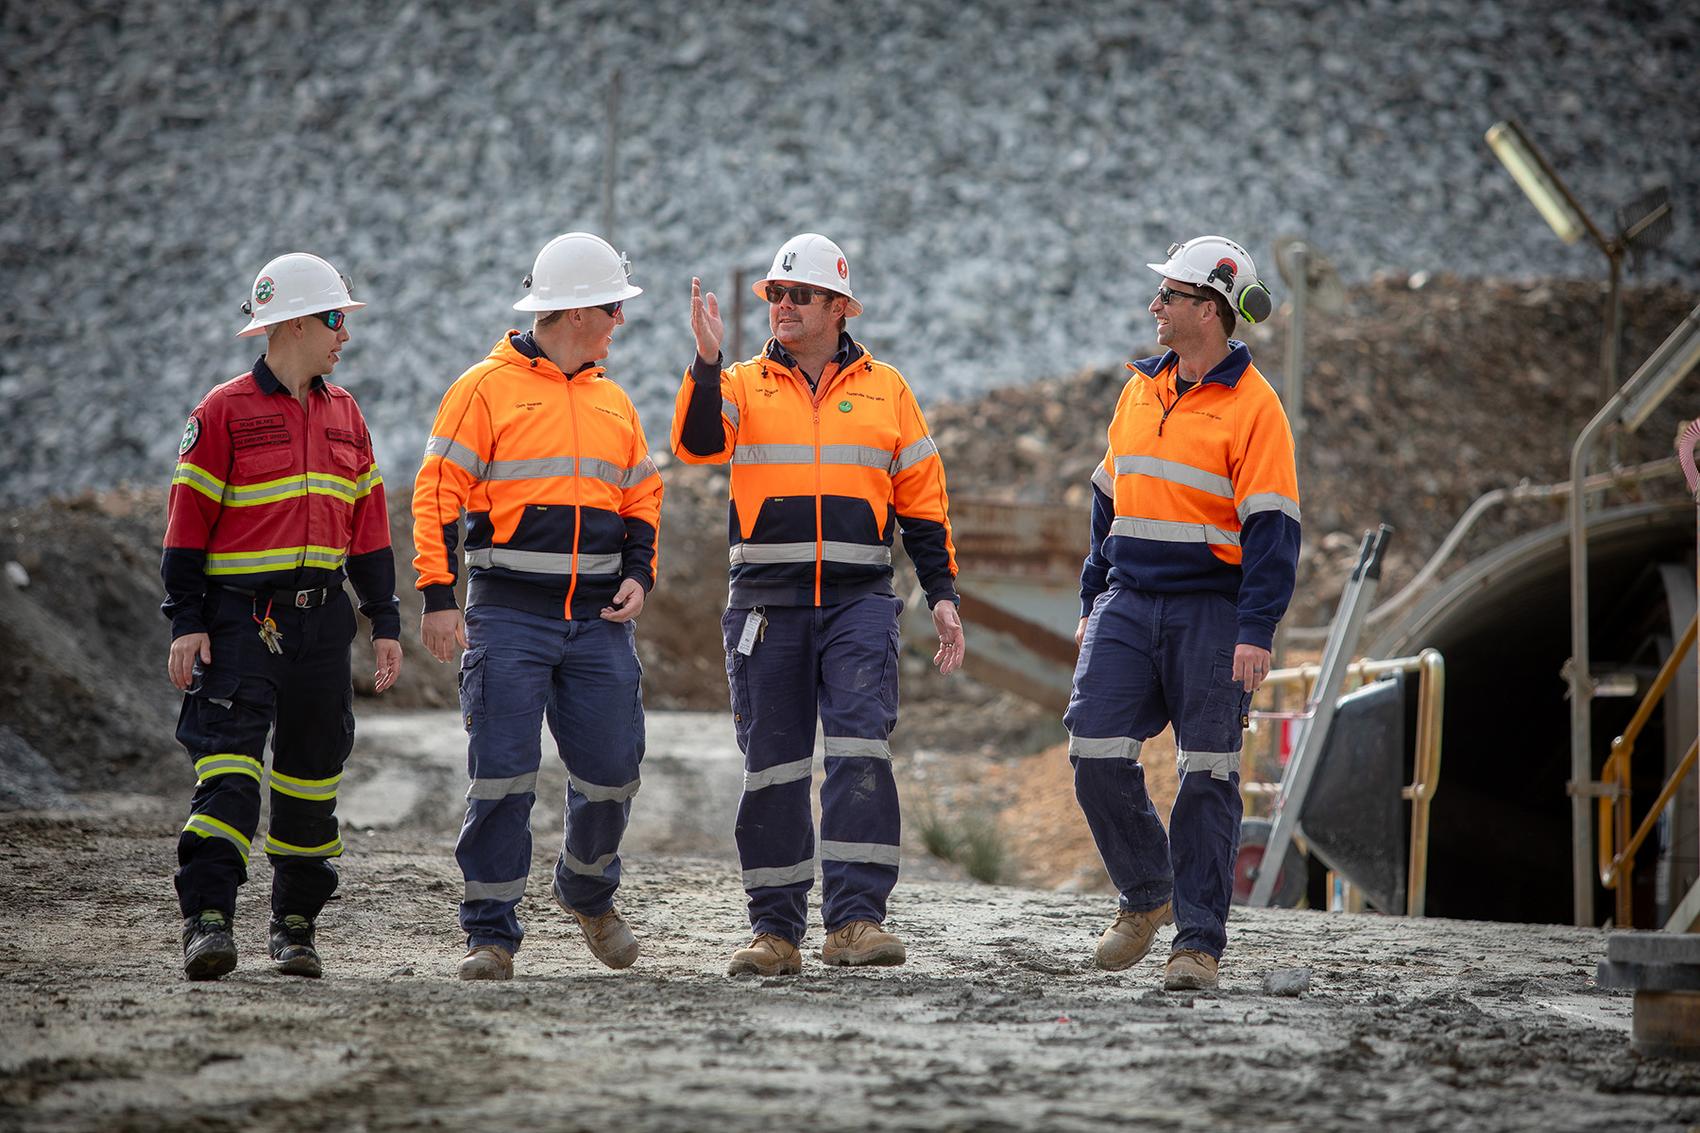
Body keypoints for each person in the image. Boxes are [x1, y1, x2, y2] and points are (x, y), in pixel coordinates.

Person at [672, 232, 965, 976]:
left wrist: (943, 596)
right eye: (775, 293)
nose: (783, 306)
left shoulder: (886, 388)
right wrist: (706, 362)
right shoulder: (737, 383)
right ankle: (775, 930)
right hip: (766, 606)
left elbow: (923, 503)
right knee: (773, 765)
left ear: (838, 307)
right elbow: (699, 444)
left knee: (861, 752)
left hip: (859, 600)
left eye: (799, 294)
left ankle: (856, 922)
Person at [413, 232, 660, 981]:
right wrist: (437, 597)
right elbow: (435, 494)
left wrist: (640, 572)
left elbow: (641, 493)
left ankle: (586, 889)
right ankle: (490, 934)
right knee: (503, 776)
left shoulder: (613, 399)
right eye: (614, 306)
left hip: (597, 621)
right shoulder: (483, 389)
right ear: (579, 309)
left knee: (615, 769)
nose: (620, 319)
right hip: (510, 616)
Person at [1066, 235, 1299, 991]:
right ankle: (1147, 890)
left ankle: (1197, 941)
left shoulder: (1256, 408)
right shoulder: (1139, 388)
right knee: (1094, 751)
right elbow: (1109, 500)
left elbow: (1273, 529)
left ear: (1210, 308)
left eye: (1168, 294)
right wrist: (1091, 597)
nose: (1154, 306)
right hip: (1128, 601)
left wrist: (1254, 631)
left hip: (1211, 609)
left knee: (1207, 776)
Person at [164, 252, 403, 981]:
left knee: (310, 781)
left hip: (321, 622)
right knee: (230, 775)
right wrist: (187, 621)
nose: (344, 336)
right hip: (240, 623)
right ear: (292, 323)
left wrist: (384, 619)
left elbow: (368, 528)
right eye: (335, 319)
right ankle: (208, 921)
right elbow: (186, 527)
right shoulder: (222, 411)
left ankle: (294, 927)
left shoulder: (347, 413)